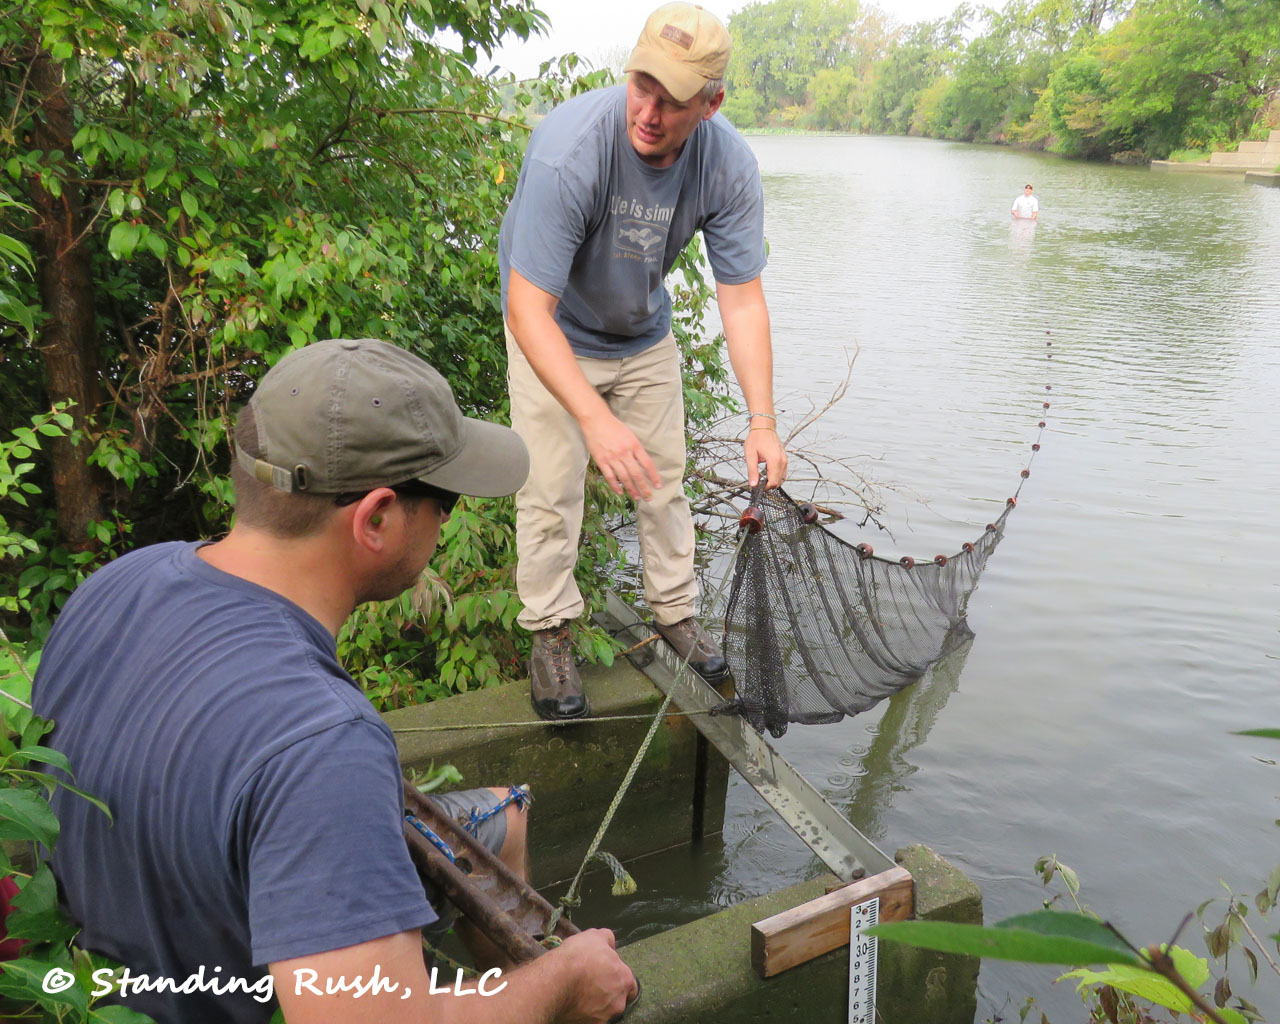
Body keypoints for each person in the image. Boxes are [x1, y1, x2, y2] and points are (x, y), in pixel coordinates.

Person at [32, 339, 637, 1024]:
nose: (447, 519)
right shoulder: (325, 744)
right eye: (445, 501)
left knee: (504, 816)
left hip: (106, 976)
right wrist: (563, 981)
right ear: (376, 518)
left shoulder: (119, 583)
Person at [499, 2, 788, 722]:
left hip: (641, 330)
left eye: (674, 100)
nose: (651, 113)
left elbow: (743, 301)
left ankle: (674, 613)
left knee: (663, 482)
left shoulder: (727, 165)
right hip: (553, 327)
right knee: (549, 490)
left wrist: (763, 422)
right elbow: (526, 309)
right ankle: (550, 632)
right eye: (643, 87)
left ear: (711, 104)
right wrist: (594, 421)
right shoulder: (573, 150)